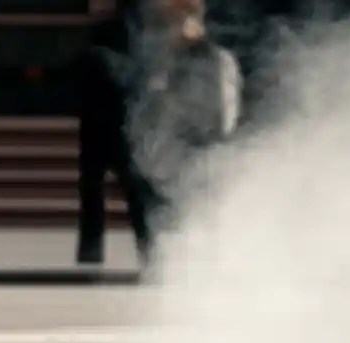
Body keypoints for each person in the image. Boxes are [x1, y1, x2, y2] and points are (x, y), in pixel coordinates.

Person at [76, 0, 241, 269]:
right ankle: (161, 252)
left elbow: (212, 95)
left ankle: (159, 252)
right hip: (157, 128)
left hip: (183, 131)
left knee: (154, 194)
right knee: (149, 194)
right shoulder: (146, 43)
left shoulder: (201, 52)